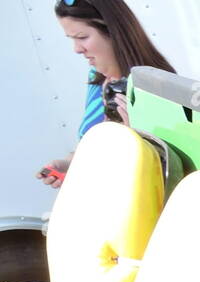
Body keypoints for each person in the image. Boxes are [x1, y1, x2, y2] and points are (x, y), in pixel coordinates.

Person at [36, 0, 175, 188]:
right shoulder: (97, 78)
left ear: (113, 32)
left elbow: (165, 173)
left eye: (82, 37)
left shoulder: (159, 88)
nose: (77, 49)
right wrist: (71, 164)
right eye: (72, 39)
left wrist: (136, 138)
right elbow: (93, 146)